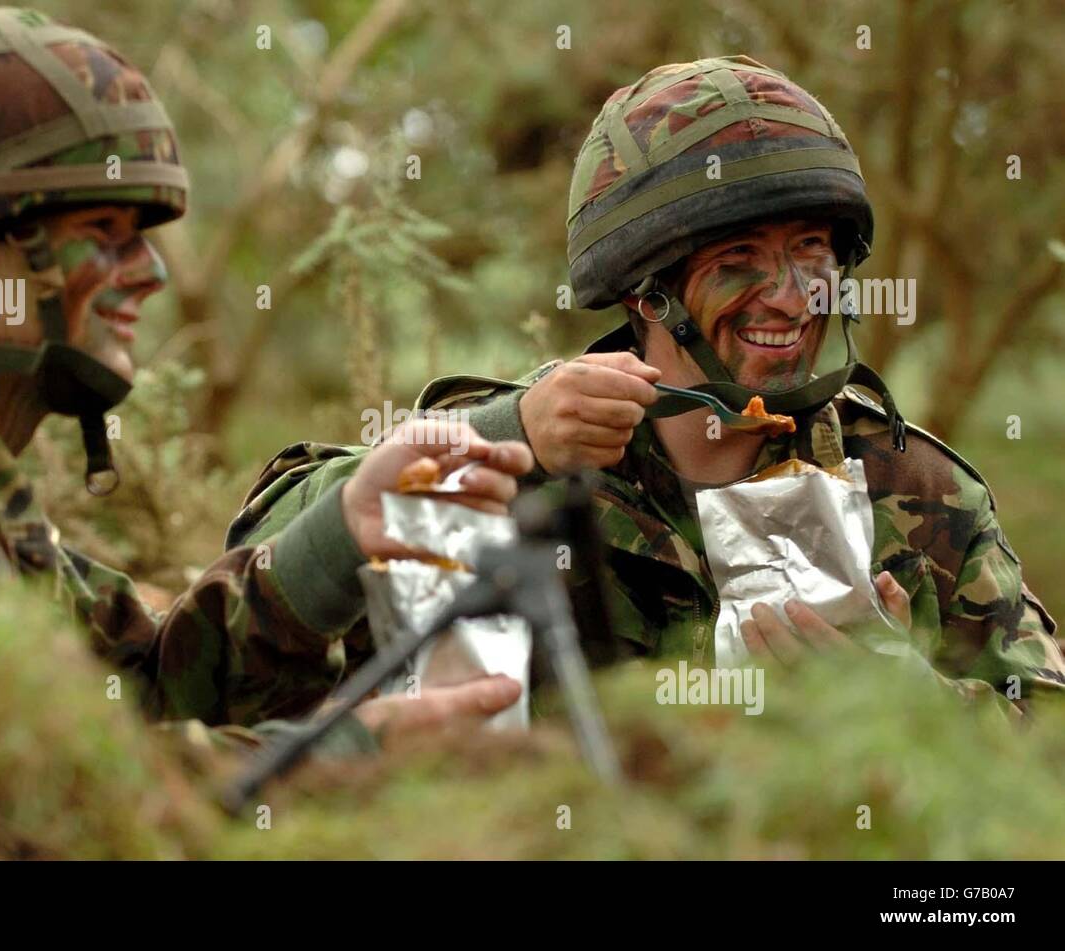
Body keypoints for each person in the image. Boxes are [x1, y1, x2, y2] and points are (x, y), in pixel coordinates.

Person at [0, 6, 534, 750]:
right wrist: (344, 755)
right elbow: (36, 795)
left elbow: (144, 688)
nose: (151, 273)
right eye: (102, 234)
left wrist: (339, 533)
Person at [230, 56, 1063, 713]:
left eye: (812, 248)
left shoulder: (917, 492)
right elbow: (250, 594)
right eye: (737, 259)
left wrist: (921, 711)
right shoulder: (517, 449)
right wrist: (508, 429)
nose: (788, 293)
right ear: (645, 291)